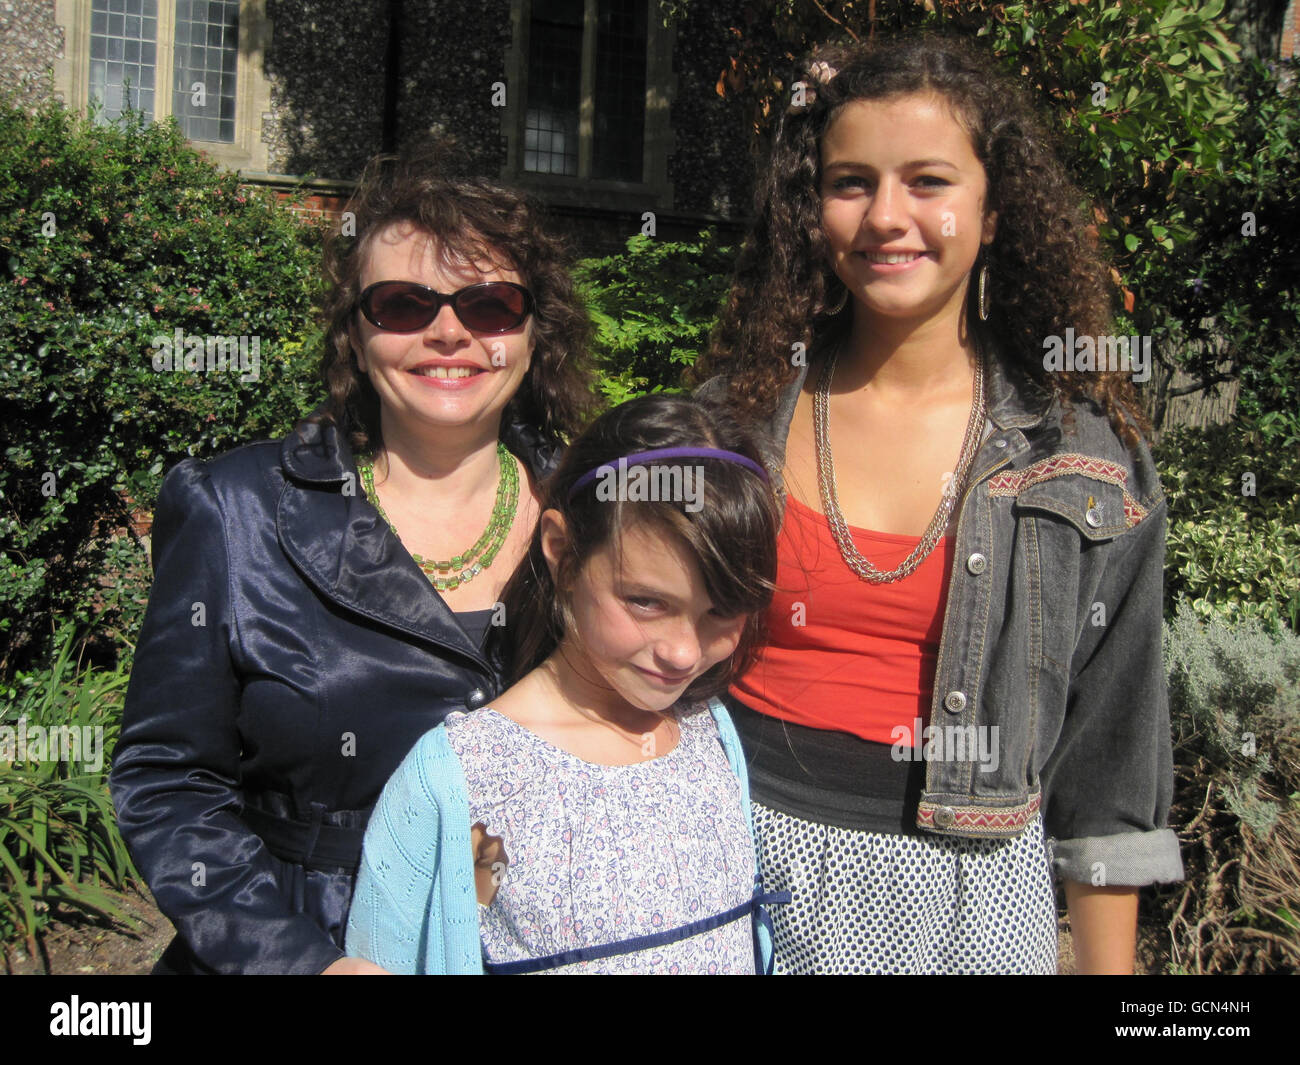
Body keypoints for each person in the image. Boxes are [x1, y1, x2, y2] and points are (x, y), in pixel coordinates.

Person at [691, 34, 1184, 974]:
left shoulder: (1084, 460)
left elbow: (1109, 760)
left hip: (966, 902)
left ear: (993, 213)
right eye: (850, 183)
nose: (886, 216)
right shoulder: (731, 422)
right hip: (723, 862)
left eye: (928, 182)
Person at [109, 147, 597, 974]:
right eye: (404, 303)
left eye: (489, 303)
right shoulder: (236, 510)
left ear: (530, 328)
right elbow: (168, 781)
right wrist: (302, 962)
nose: (450, 331)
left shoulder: (593, 513)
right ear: (356, 332)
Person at [345, 394, 787, 974]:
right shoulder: (468, 784)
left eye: (721, 613)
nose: (683, 652)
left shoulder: (711, 734)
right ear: (563, 555)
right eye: (647, 602)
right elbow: (414, 940)